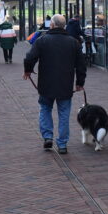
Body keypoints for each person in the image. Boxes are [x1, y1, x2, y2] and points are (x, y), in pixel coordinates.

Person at [23, 14, 86, 155]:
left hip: (46, 84)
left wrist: (28, 70)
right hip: (65, 84)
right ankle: (62, 144)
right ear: (64, 26)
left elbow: (29, 57)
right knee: (64, 113)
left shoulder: (42, 41)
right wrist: (80, 83)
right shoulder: (73, 42)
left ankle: (47, 137)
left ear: (51, 25)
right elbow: (81, 65)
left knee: (45, 108)